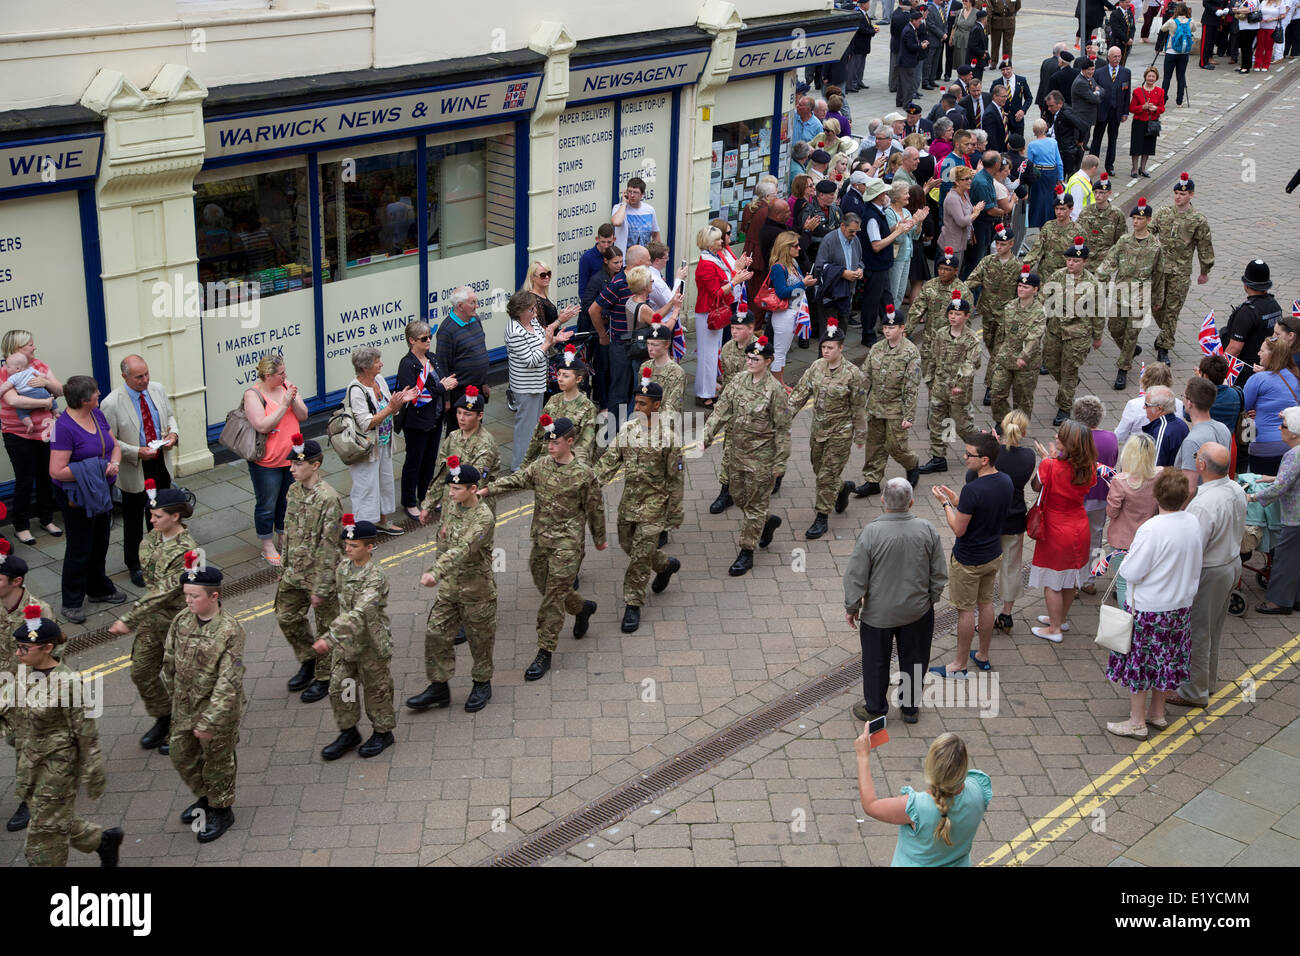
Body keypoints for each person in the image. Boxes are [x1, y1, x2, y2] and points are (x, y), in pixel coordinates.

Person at [480, 416, 606, 680]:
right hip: (541, 541)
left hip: (568, 545)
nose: (550, 446)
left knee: (552, 600)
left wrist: (599, 538)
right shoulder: (541, 467)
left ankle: (544, 651)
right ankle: (582, 609)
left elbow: (595, 508)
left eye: (556, 442)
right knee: (544, 584)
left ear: (570, 442)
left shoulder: (584, 474)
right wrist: (487, 490)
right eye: (548, 441)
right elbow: (515, 480)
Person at [9, 610, 121, 866]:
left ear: (47, 648)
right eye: (17, 647)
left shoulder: (69, 684)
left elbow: (86, 731)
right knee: (51, 815)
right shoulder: (26, 669)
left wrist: (94, 772)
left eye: (24, 648)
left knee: (42, 842)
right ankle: (102, 841)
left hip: (57, 768)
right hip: (29, 761)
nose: (18, 653)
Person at [1105, 468, 1202, 738]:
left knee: (1140, 663)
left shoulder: (1151, 528)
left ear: (1157, 495)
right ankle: (1157, 713)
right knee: (1166, 660)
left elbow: (1132, 571)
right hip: (1180, 605)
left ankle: (1137, 721)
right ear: (1184, 496)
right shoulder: (1192, 521)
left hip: (1150, 608)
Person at [845, 477, 946, 721]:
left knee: (875, 662)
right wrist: (931, 598)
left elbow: (856, 575)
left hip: (878, 615)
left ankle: (875, 708)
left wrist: (852, 605)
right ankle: (910, 709)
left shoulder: (871, 533)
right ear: (911, 502)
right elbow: (939, 572)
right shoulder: (927, 529)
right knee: (915, 659)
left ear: (882, 501)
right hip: (918, 611)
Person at [105, 484, 196, 754]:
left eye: (157, 516)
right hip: (151, 621)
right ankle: (164, 717)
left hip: (176, 623)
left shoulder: (187, 552)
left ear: (175, 516)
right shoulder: (153, 537)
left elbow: (162, 592)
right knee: (142, 671)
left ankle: (183, 727)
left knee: (179, 679)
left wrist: (128, 619)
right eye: (152, 515)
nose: (152, 520)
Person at [162, 555, 245, 841]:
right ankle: (206, 796)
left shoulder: (230, 630)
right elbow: (169, 660)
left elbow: (228, 682)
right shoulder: (181, 619)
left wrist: (210, 720)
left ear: (214, 595)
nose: (188, 601)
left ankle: (222, 809)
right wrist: (173, 696)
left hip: (217, 710)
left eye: (194, 596)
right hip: (184, 705)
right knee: (180, 753)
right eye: (186, 595)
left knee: (217, 760)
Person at [595, 382, 683, 633]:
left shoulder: (669, 438)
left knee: (640, 557)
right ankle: (666, 566)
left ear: (657, 405)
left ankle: (633, 603)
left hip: (655, 504)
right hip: (630, 501)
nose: (637, 407)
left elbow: (676, 478)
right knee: (627, 545)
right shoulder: (628, 430)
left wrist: (675, 511)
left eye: (643, 404)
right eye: (636, 402)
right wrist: (588, 486)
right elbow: (609, 462)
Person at [410, 461, 497, 714]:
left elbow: (464, 548)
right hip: (449, 588)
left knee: (480, 641)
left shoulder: (484, 518)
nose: (451, 493)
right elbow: (444, 540)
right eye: (450, 488)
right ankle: (439, 686)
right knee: (436, 633)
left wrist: (436, 572)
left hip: (476, 590)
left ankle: (482, 683)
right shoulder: (451, 506)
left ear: (473, 489)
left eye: (457, 489)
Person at [1165, 443, 1245, 709]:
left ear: (1201, 465)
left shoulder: (1203, 504)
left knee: (1197, 631)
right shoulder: (1234, 488)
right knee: (1214, 628)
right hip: (1231, 563)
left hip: (1211, 570)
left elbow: (1193, 548)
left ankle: (1194, 691)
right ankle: (1206, 682)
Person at [703, 337, 791, 575]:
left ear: (768, 362)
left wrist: (780, 462)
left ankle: (746, 552)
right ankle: (766, 521)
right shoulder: (738, 382)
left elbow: (783, 429)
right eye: (749, 358)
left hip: (762, 458)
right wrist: (705, 437)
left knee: (754, 505)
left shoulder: (775, 391)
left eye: (756, 359)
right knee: (739, 498)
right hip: (737, 453)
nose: (751, 362)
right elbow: (721, 411)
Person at [311, 517, 396, 759]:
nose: (347, 549)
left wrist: (329, 638)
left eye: (354, 545)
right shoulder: (343, 568)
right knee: (340, 686)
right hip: (346, 645)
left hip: (370, 644)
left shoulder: (375, 577)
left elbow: (359, 613)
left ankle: (383, 732)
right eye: (346, 545)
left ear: (369, 547)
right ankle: (349, 731)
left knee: (375, 690)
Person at [931, 431, 1014, 675]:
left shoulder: (974, 489)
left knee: (965, 610)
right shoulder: (1005, 481)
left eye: (970, 454)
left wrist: (946, 504)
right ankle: (982, 654)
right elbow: (985, 510)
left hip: (968, 560)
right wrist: (959, 501)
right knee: (986, 603)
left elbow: (959, 528)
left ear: (985, 459)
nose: (965, 457)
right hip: (992, 554)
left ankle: (959, 665)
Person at [47, 376, 126, 625]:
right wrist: (100, 468)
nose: (99, 393)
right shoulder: (64, 428)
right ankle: (71, 602)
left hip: (101, 490)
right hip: (77, 497)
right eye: (95, 392)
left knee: (100, 542)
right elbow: (56, 471)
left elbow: (114, 444)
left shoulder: (97, 415)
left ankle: (98, 589)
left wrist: (114, 462)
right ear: (84, 400)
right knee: (80, 548)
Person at [273, 436, 343, 704]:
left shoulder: (328, 499)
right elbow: (288, 531)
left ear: (315, 465)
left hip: (320, 576)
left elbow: (329, 545)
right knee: (286, 616)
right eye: (291, 462)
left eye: (297, 464)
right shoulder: (293, 491)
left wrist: (323, 586)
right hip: (294, 571)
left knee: (327, 626)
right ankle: (308, 659)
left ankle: (325, 677)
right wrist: (283, 564)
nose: (291, 468)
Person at [856, 730, 992, 867]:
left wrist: (863, 755)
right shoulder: (979, 789)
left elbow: (870, 805)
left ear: (930, 765)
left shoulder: (917, 807)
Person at [101, 355, 179, 588]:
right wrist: (136, 451)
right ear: (125, 376)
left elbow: (170, 417)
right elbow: (109, 441)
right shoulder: (111, 403)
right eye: (138, 377)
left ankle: (161, 556)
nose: (144, 380)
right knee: (135, 518)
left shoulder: (157, 389)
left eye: (146, 374)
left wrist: (173, 434)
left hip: (160, 461)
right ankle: (135, 564)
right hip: (135, 467)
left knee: (160, 512)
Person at [787, 319, 868, 539]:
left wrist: (860, 434)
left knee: (825, 476)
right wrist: (783, 419)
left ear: (841, 348)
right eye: (823, 347)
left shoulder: (853, 375)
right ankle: (842, 488)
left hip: (841, 432)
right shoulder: (816, 367)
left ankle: (821, 517)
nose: (826, 351)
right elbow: (799, 395)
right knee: (818, 469)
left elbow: (859, 407)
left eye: (830, 347)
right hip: (818, 431)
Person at [0, 543, 53, 834]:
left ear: (16, 582)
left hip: (26, 691)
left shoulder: (39, 611)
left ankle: (31, 800)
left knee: (25, 746)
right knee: (14, 741)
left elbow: (54, 656)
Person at [1029, 420, 1098, 641]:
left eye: (1060, 436)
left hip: (1056, 528)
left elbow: (1036, 486)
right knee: (1069, 579)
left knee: (1052, 581)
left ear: (1068, 443)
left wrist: (1047, 460)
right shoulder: (1090, 467)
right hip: (1079, 525)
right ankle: (1059, 619)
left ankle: (1054, 630)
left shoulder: (1050, 465)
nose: (1056, 437)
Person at [242, 354, 308, 564]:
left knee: (287, 501)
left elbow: (304, 415)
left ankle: (283, 535)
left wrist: (292, 401)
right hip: (267, 463)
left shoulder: (287, 386)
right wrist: (284, 404)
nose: (285, 376)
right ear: (268, 375)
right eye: (280, 374)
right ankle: (266, 543)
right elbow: (263, 425)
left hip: (291, 459)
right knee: (267, 504)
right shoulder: (253, 395)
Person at [0, 330, 63, 546]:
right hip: (17, 434)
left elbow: (60, 390)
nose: (34, 347)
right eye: (29, 344)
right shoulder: (5, 372)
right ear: (17, 348)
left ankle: (46, 519)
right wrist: (45, 403)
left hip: (45, 432)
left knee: (47, 476)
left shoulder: (40, 366)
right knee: (25, 479)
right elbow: (13, 401)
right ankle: (21, 526)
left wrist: (45, 382)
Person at [346, 347, 417, 535]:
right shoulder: (356, 389)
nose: (381, 364)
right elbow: (366, 423)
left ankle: (381, 521)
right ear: (365, 367)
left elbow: (391, 409)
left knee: (384, 482)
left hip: (383, 442)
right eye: (378, 361)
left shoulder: (379, 380)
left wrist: (400, 401)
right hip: (366, 448)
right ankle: (362, 531)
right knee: (366, 488)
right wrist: (391, 407)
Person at [855, 307, 922, 497]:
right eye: (885, 327)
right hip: (875, 406)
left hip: (896, 408)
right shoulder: (877, 348)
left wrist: (909, 415)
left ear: (902, 328)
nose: (887, 331)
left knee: (896, 446)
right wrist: (858, 405)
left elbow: (911, 386)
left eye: (891, 328)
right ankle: (872, 480)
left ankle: (912, 464)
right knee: (874, 445)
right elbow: (865, 377)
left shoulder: (910, 352)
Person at [1099, 196, 1165, 389]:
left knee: (1131, 334)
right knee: (1114, 327)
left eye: (1140, 219)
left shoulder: (1155, 246)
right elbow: (1111, 260)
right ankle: (1130, 351)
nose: (1136, 222)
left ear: (1149, 220)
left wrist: (1157, 298)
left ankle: (1123, 369)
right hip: (1121, 293)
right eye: (1134, 218)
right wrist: (1100, 276)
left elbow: (1159, 274)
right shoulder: (1124, 241)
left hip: (1141, 297)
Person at [1149, 173, 1215, 364]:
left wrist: (1205, 271)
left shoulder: (1198, 220)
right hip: (1159, 271)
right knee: (1157, 307)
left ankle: (1164, 347)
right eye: (1176, 193)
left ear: (1191, 195)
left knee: (1172, 310)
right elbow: (1150, 233)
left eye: (1182, 194)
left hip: (1180, 272)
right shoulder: (1163, 213)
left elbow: (1205, 246)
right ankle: (1165, 333)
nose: (1178, 197)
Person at [506, 289, 572, 473]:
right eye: (531, 309)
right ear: (520, 311)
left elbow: (542, 339)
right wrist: (547, 343)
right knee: (525, 427)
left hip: (537, 382)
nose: (535, 313)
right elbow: (531, 360)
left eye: (534, 308)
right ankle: (519, 466)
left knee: (534, 425)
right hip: (526, 385)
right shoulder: (514, 331)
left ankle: (530, 460)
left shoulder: (531, 321)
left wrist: (555, 339)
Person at [1043, 238, 1106, 426]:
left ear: (1085, 262)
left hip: (1078, 333)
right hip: (1055, 330)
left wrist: (1098, 336)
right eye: (1069, 260)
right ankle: (1068, 386)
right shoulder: (1057, 276)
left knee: (1069, 370)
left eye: (1076, 261)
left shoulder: (1093, 284)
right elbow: (1043, 297)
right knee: (1052, 364)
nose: (1071, 263)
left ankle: (1064, 407)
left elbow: (1098, 311)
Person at [397, 321, 456, 519]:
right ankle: (409, 502)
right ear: (412, 340)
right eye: (424, 338)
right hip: (417, 421)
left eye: (430, 336)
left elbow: (443, 380)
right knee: (414, 461)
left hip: (435, 418)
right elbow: (415, 396)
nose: (429, 340)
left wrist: (445, 394)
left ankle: (425, 497)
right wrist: (442, 387)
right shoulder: (407, 364)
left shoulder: (432, 358)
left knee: (430, 460)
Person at [918, 293, 982, 475]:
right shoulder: (940, 334)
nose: (953, 317)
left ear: (967, 316)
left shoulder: (971, 339)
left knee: (963, 426)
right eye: (951, 313)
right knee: (936, 422)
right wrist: (930, 380)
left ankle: (986, 447)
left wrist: (960, 384)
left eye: (958, 314)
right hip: (940, 387)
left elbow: (971, 364)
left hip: (959, 391)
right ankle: (938, 458)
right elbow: (933, 357)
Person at [985, 410, 1035, 634]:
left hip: (991, 518)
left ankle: (984, 614)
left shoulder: (993, 455)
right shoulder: (1029, 456)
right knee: (1011, 567)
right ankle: (1006, 614)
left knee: (986, 569)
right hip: (1015, 517)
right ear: (1023, 432)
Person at [693, 226, 753, 409]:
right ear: (710, 244)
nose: (722, 242)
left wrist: (737, 275)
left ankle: (709, 389)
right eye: (718, 239)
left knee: (713, 353)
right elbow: (716, 292)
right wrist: (735, 281)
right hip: (708, 312)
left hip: (714, 311)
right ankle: (704, 393)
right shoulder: (706, 264)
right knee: (708, 354)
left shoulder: (715, 258)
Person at [1248, 406, 1300, 613]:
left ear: (1295, 433)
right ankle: (1295, 598)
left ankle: (1277, 602)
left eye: (1284, 425)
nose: (1280, 428)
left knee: (1284, 559)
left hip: (1295, 517)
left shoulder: (1293, 455)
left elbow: (1280, 488)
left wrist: (1252, 496)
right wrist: (1274, 478)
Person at [421, 387, 500, 521]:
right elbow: (442, 474)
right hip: (450, 508)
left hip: (474, 514)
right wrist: (428, 505)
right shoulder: (453, 437)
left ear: (479, 416)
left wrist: (451, 520)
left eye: (467, 414)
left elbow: (475, 486)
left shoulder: (486, 445)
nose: (461, 418)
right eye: (459, 413)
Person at [1105, 433, 1160, 609]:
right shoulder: (1160, 475)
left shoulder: (1120, 481)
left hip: (1122, 541)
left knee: (1123, 584)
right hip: (1149, 539)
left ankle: (1127, 624)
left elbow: (1112, 513)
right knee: (1144, 583)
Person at [989, 266, 1046, 423]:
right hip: (1005, 358)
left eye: (1025, 287)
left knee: (1023, 399)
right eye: (1019, 286)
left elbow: (1034, 337)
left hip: (1026, 363)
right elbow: (1002, 334)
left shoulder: (1039, 312)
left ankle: (1019, 426)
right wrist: (996, 355)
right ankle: (1003, 421)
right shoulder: (1010, 306)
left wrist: (1024, 356)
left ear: (1035, 289)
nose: (1021, 289)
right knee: (997, 393)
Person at [526, 348, 597, 468]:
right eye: (558, 374)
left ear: (578, 379)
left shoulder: (587, 407)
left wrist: (574, 471)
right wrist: (526, 464)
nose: (560, 379)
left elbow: (585, 444)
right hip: (547, 464)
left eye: (566, 376)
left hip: (569, 467)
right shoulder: (553, 400)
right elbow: (538, 435)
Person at [435, 286, 491, 435]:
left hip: (478, 388)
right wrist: (446, 399)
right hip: (459, 393)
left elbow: (481, 350)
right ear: (460, 306)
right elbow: (442, 365)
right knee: (458, 432)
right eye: (473, 303)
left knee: (476, 429)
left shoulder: (475, 320)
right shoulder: (447, 330)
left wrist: (484, 382)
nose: (477, 306)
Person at [1222, 259, 1282, 392]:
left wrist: (1217, 369)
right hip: (1267, 367)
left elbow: (1234, 349)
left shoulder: (1247, 312)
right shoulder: (1275, 305)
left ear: (1246, 285)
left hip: (1245, 373)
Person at [1242, 336, 1300, 475]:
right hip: (1292, 445)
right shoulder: (1296, 376)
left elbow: (1243, 406)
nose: (1258, 353)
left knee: (1259, 488)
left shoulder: (1258, 379)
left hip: (1264, 447)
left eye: (1262, 351)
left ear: (1272, 355)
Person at [766, 230, 819, 376]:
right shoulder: (778, 267)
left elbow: (796, 288)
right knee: (780, 352)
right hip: (783, 314)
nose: (799, 248)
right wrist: (803, 283)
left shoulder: (793, 263)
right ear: (785, 247)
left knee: (784, 350)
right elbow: (782, 292)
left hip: (794, 311)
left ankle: (780, 381)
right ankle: (776, 383)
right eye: (795, 246)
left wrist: (806, 283)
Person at [1177, 377, 1233, 495]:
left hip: (1199, 505)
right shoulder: (1223, 428)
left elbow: (1190, 488)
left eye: (1184, 396)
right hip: (1219, 496)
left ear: (1189, 403)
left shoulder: (1192, 441)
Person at [1115, 363, 1184, 445]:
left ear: (1145, 379)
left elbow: (1119, 435)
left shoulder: (1133, 405)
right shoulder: (1179, 404)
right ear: (1169, 380)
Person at [1091, 47, 1131, 176]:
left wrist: (1125, 112)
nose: (1117, 59)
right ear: (1108, 57)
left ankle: (1110, 165)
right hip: (1102, 111)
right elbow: (1095, 93)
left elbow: (1126, 94)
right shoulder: (1099, 72)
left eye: (1119, 56)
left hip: (1116, 111)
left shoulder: (1126, 72)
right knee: (1097, 138)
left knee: (1113, 139)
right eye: (1114, 56)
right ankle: (1092, 163)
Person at [2, 353, 58, 440]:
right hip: (41, 392)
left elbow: (5, 386)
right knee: (52, 400)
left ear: (17, 369)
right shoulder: (31, 370)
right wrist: (44, 380)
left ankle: (29, 424)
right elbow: (42, 376)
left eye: (8, 367)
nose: (7, 368)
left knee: (21, 412)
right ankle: (56, 412)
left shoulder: (14, 377)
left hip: (28, 396)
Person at [1075, 172, 1126, 258]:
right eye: (1095, 192)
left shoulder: (1117, 214)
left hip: (1106, 262)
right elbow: (1077, 233)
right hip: (1086, 260)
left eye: (1102, 193)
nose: (1097, 196)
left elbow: (1120, 241)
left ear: (1109, 193)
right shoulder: (1086, 211)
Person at [1026, 119, 1064, 228]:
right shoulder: (1053, 142)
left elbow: (1030, 163)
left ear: (1034, 131)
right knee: (1050, 197)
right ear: (1046, 129)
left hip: (1038, 173)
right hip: (1052, 172)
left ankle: (1038, 222)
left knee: (1038, 199)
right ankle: (1051, 219)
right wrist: (1060, 177)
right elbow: (1059, 162)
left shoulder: (1032, 145)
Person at [1128, 67, 1165, 179]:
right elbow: (1132, 108)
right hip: (1139, 122)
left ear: (1156, 78)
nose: (1151, 78)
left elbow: (1162, 108)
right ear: (1145, 77)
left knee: (1148, 147)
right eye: (1149, 76)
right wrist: (1142, 107)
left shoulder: (1160, 91)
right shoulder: (1137, 91)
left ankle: (1143, 168)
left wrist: (1156, 109)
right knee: (1136, 147)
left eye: (1153, 76)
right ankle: (1134, 169)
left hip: (1152, 123)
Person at [1142, 385, 1192, 465]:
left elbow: (1153, 468)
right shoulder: (1182, 424)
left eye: (1147, 404)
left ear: (1159, 408)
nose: (1144, 407)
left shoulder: (1160, 432)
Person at [1044, 91, 1089, 178]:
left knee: (1070, 176)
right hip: (1061, 149)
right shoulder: (1057, 112)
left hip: (1068, 152)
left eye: (1051, 106)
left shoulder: (1066, 114)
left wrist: (1080, 141)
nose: (1049, 109)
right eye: (1048, 106)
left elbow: (1084, 127)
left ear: (1060, 104)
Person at [610, 176, 660, 251]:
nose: (632, 195)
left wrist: (657, 255)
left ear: (642, 194)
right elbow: (616, 222)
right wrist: (624, 203)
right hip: (624, 258)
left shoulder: (649, 210)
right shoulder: (619, 208)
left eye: (636, 192)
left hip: (644, 258)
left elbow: (655, 234)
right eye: (630, 191)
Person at [1159, 4, 1196, 102]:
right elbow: (1194, 29)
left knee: (1167, 77)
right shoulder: (1190, 21)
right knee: (1181, 77)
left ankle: (1163, 98)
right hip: (1184, 53)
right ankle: (1179, 100)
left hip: (1171, 51)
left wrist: (1172, 18)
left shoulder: (1171, 21)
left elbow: (1163, 28)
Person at [578, 223, 615, 298]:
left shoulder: (616, 255)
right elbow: (582, 289)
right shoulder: (587, 258)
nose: (606, 246)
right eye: (603, 242)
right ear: (597, 239)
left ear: (614, 239)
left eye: (609, 242)